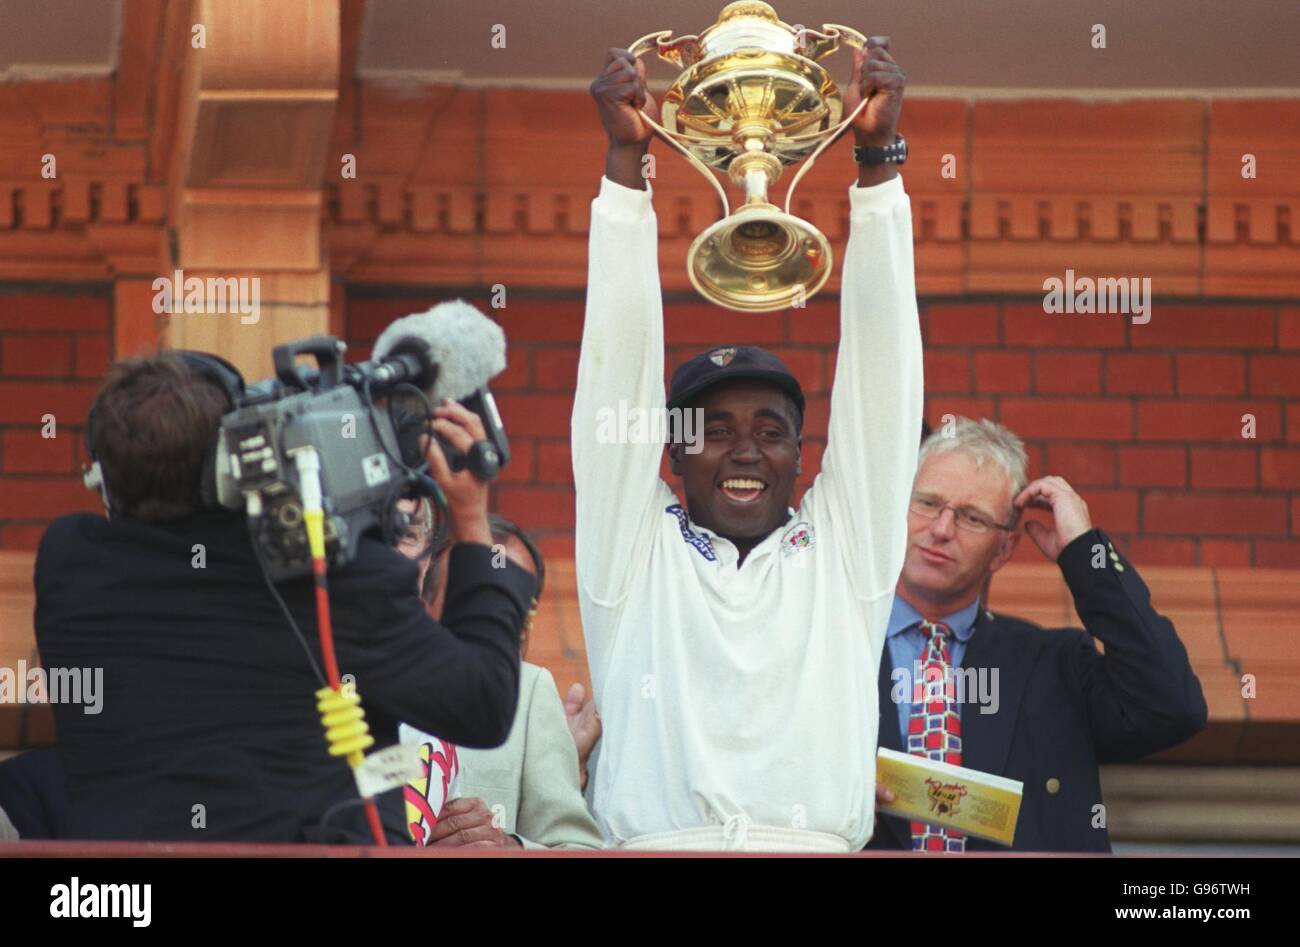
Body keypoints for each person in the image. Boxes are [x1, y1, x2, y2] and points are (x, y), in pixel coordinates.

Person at [573, 40, 921, 851]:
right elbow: (615, 373)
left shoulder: (845, 555)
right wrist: (626, 168)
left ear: (801, 456)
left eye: (770, 432)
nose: (744, 451)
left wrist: (877, 164)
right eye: (713, 430)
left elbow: (883, 384)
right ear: (671, 454)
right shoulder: (632, 551)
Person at [34, 352, 534, 843]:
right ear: (230, 462)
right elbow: (483, 705)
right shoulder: (328, 580)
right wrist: (470, 516)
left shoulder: (68, 564)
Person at [868, 416, 1207, 852]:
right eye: (928, 504)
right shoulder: (828, 646)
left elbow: (1172, 708)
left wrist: (1085, 553)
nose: (941, 529)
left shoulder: (1053, 665)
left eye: (972, 518)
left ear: (1003, 549)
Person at [399, 504, 603, 849]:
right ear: (426, 601)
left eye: (513, 601)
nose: (492, 613)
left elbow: (577, 847)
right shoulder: (366, 681)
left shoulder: (530, 693)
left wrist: (510, 848)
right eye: (470, 591)